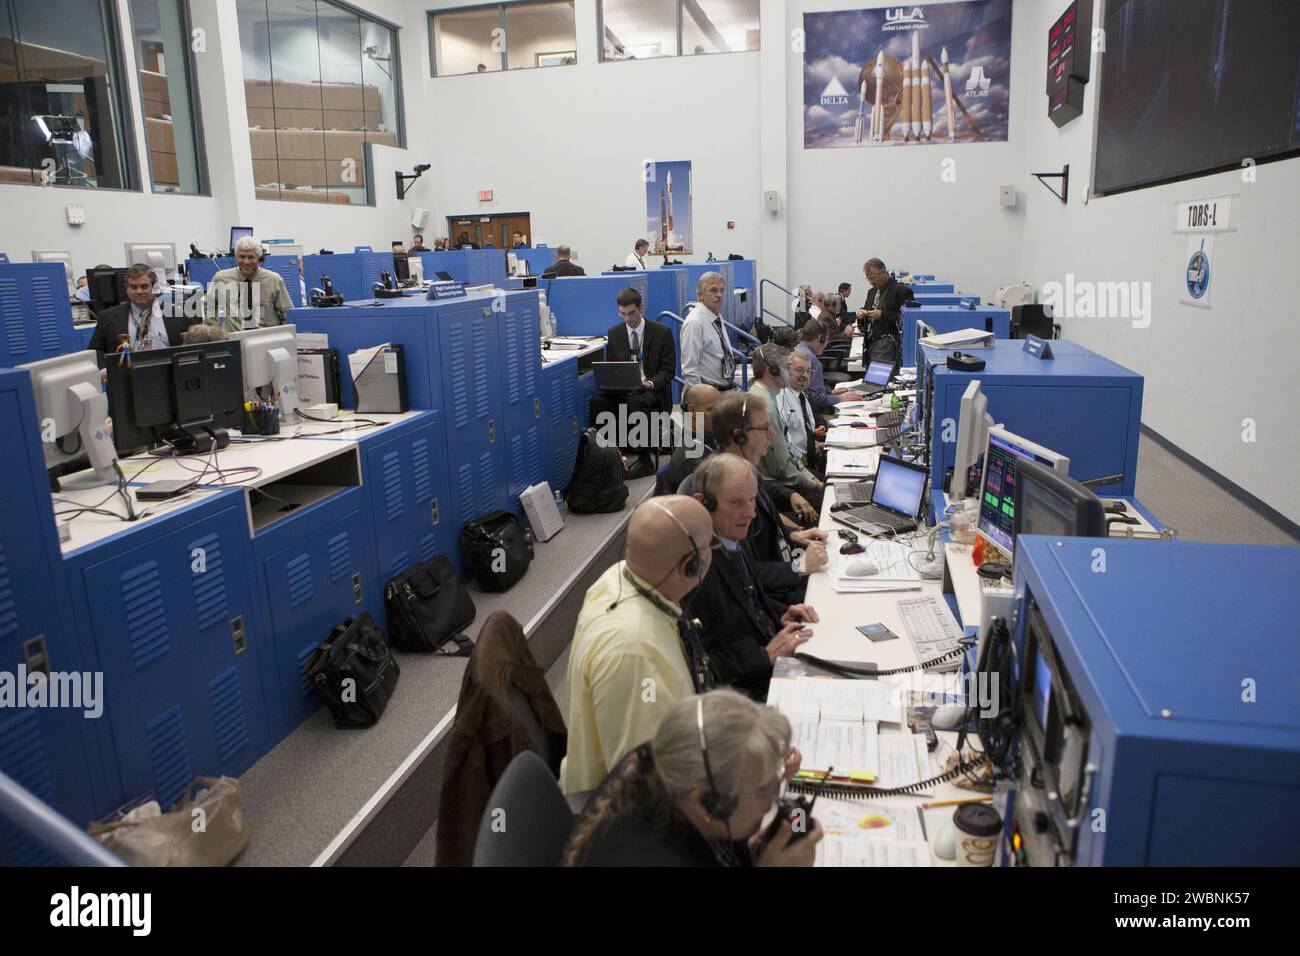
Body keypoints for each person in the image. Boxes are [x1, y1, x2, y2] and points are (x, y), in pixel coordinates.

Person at [559, 496, 717, 795]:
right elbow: (649, 788)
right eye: (712, 545)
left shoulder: (619, 577)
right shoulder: (636, 652)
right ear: (691, 565)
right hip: (625, 814)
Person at [563, 689, 822, 867]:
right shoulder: (652, 858)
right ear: (709, 803)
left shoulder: (666, 767)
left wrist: (747, 851)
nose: (773, 800)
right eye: (763, 789)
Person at [685, 454, 820, 699]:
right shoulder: (692, 571)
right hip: (745, 689)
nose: (751, 513)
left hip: (770, 648)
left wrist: (780, 613)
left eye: (752, 500)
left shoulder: (733, 533)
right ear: (703, 503)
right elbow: (698, 664)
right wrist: (765, 655)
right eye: (736, 502)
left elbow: (750, 596)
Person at [680, 393, 826, 603]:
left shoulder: (745, 468)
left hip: (783, 567)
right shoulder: (727, 494)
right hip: (772, 594)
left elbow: (768, 500)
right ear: (740, 436)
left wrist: (793, 533)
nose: (772, 433)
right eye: (764, 428)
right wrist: (798, 568)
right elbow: (741, 573)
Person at [591, 287, 676, 479]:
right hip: (625, 389)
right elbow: (614, 367)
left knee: (637, 402)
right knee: (598, 401)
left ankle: (645, 460)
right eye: (623, 314)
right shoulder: (615, 333)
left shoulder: (662, 332)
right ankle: (608, 456)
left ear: (641, 308)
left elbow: (668, 371)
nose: (628, 319)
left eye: (632, 313)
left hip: (651, 391)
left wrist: (650, 383)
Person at [748, 344, 823, 510]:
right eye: (787, 368)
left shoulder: (765, 395)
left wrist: (809, 477)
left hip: (778, 477)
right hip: (772, 486)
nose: (790, 373)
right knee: (827, 499)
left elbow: (787, 451)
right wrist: (814, 484)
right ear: (772, 371)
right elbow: (782, 468)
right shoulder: (765, 407)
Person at [86, 263, 196, 360]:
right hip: (126, 379)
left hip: (170, 378)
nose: (139, 291)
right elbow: (96, 351)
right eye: (133, 287)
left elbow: (195, 348)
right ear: (126, 288)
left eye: (144, 287)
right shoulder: (108, 317)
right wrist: (105, 370)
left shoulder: (180, 315)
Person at [205, 235, 293, 333]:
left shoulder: (274, 280)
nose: (246, 262)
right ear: (235, 257)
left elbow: (287, 314)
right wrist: (215, 333)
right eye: (242, 257)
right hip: (234, 340)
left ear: (260, 259)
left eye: (251, 257)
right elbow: (209, 306)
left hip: (266, 339)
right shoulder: (220, 278)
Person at [660, 383, 720, 495]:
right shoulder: (691, 459)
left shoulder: (708, 438)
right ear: (692, 411)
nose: (719, 414)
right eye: (711, 409)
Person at [679, 271, 736, 389]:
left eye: (722, 290)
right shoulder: (695, 322)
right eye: (713, 290)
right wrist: (702, 398)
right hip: (706, 395)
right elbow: (690, 370)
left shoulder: (715, 315)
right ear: (700, 295)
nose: (719, 295)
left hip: (723, 389)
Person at [796, 319, 864, 415]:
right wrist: (840, 398)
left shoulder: (797, 349)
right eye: (826, 339)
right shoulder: (812, 361)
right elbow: (816, 398)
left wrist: (830, 392)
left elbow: (809, 391)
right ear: (821, 339)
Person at [778, 347, 825, 478]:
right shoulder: (781, 397)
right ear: (787, 371)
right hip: (797, 466)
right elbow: (781, 440)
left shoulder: (802, 395)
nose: (805, 374)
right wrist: (801, 456)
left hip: (811, 457)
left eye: (808, 371)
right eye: (800, 370)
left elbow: (799, 430)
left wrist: (813, 445)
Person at [856, 257, 909, 364]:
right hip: (870, 344)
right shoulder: (871, 292)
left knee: (879, 379)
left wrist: (882, 315)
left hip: (886, 344)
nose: (870, 282)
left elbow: (905, 319)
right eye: (868, 278)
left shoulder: (900, 290)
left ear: (883, 272)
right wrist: (861, 314)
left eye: (873, 278)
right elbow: (867, 312)